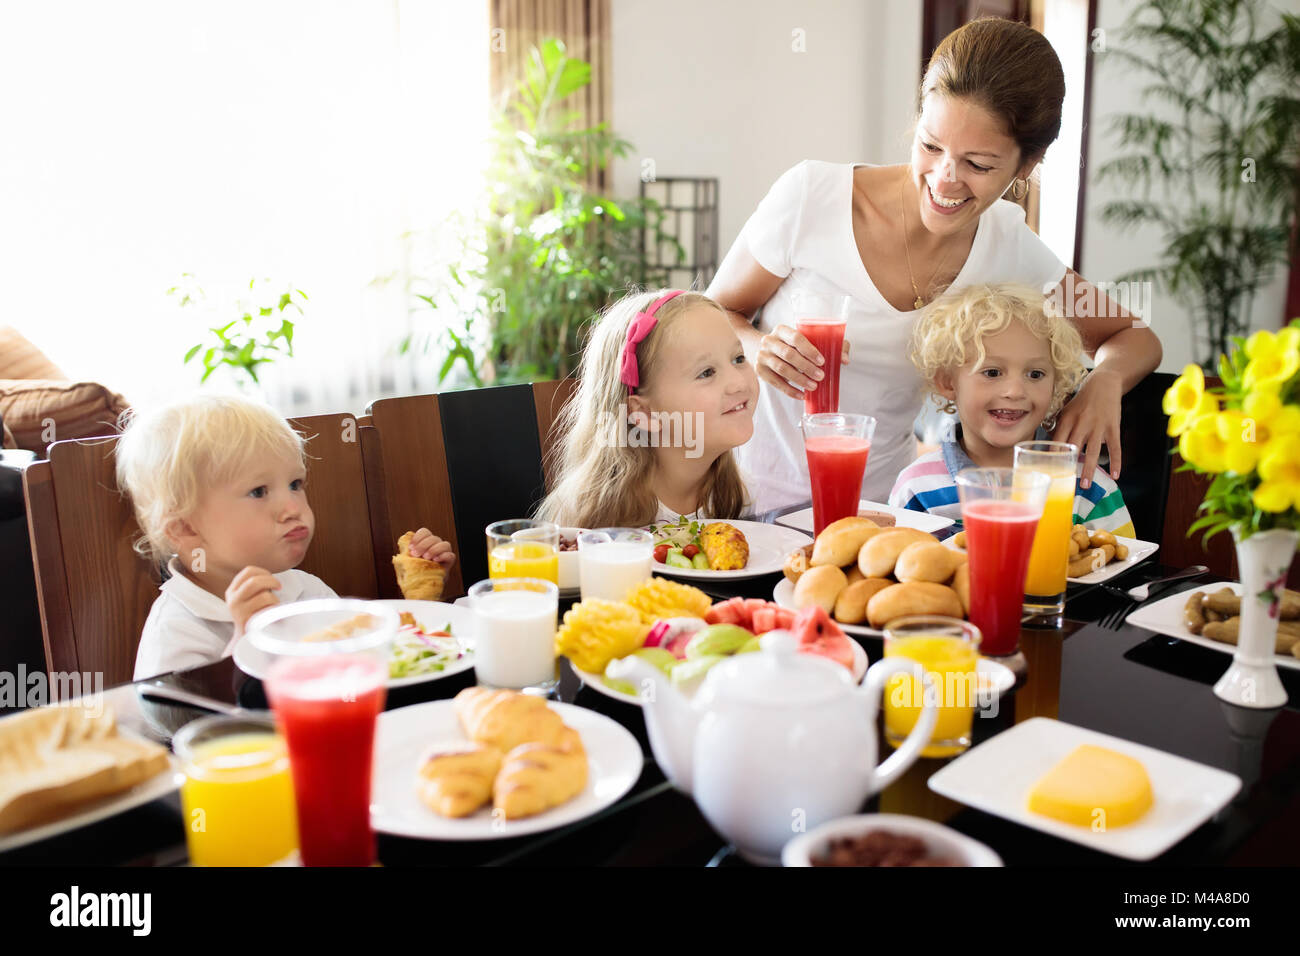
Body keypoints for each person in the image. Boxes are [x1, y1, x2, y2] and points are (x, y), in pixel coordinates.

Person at [707, 16, 1162, 514]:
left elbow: (1133, 337)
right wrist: (757, 347)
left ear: (1026, 167)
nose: (944, 180)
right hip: (748, 503)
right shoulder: (810, 198)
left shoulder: (1007, 245)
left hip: (886, 517)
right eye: (930, 146)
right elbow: (714, 315)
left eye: (979, 165)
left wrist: (1104, 382)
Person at [117, 393, 456, 679]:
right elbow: (187, 734)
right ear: (186, 529)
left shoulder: (305, 590)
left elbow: (370, 666)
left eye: (295, 484)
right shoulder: (177, 630)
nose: (292, 508)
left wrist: (423, 600)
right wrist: (242, 641)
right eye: (259, 491)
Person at [888, 282, 1135, 537]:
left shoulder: (1089, 487)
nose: (1015, 391)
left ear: (1055, 384)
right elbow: (897, 567)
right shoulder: (916, 488)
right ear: (948, 382)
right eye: (992, 372)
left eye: (1035, 374)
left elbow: (1125, 568)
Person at [535, 289, 758, 528]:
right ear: (643, 413)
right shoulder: (586, 517)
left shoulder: (737, 496)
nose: (738, 382)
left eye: (738, 358)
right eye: (706, 373)